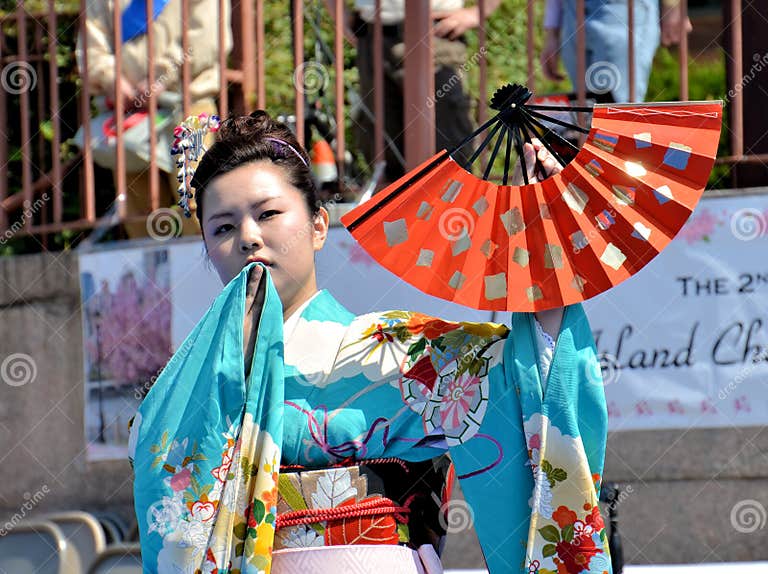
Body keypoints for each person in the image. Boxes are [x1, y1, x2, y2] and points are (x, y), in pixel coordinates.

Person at [128, 111, 610, 573]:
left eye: (268, 213)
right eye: (223, 227)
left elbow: (525, 379)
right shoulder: (187, 393)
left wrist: (541, 245)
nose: (249, 237)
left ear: (318, 226)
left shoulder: (393, 349)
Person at [76, 0, 232, 238]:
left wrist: (160, 76)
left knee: (197, 203)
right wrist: (112, 80)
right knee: (139, 215)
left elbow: (206, 37)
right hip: (128, 113)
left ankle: (210, 261)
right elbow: (91, 46)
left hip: (188, 105)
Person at [352, 1, 501, 184]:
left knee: (449, 156)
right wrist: (340, 17)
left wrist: (478, 13)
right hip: (373, 35)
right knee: (385, 155)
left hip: (437, 34)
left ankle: (452, 200)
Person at [541, 0, 692, 102]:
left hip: (622, 9)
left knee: (617, 113)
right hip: (572, 12)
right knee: (583, 114)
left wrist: (672, 5)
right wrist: (552, 32)